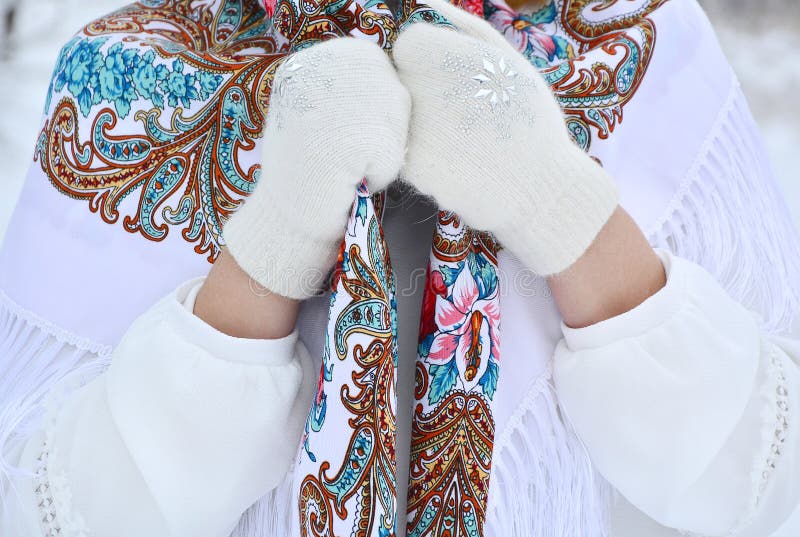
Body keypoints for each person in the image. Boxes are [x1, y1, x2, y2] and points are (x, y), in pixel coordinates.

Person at [0, 0, 798, 535]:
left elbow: (771, 487)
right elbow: (47, 510)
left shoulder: (641, 36)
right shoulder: (135, 74)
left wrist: (562, 207)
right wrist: (270, 246)